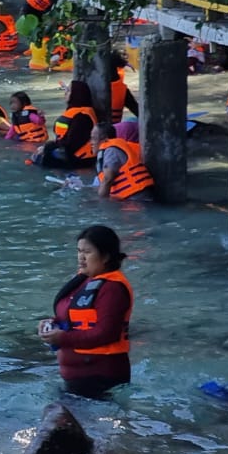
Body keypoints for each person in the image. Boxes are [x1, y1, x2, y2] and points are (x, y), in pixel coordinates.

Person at [39, 225, 132, 398]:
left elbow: (107, 333)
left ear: (105, 256)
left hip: (101, 380)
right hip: (79, 379)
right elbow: (74, 317)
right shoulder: (85, 280)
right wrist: (51, 324)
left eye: (87, 252)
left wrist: (62, 338)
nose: (81, 257)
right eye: (79, 251)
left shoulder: (112, 288)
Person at [34, 81, 99, 169]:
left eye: (68, 91)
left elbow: (72, 143)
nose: (65, 93)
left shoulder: (82, 116)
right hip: (70, 152)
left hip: (80, 159)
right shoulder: (74, 111)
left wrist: (48, 148)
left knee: (42, 158)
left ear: (77, 94)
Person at [91, 124, 154, 199]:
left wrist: (100, 202)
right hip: (134, 197)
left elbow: (108, 179)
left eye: (94, 138)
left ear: (105, 139)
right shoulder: (113, 148)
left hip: (135, 198)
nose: (91, 142)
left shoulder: (111, 150)